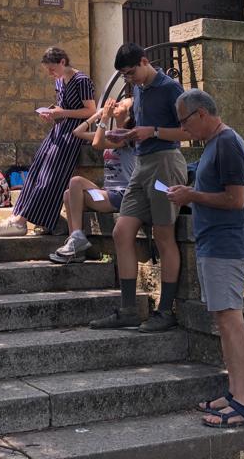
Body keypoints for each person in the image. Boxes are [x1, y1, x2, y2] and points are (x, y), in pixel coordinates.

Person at [166, 89, 244, 428]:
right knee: (223, 322)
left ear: (202, 114)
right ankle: (233, 393)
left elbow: (235, 200)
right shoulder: (213, 146)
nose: (183, 130)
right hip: (212, 245)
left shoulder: (229, 144)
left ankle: (242, 401)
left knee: (231, 322)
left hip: (225, 246)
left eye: (185, 122)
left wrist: (192, 196)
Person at [89, 42, 187, 333]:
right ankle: (128, 309)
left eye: (131, 73)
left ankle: (165, 311)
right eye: (124, 76)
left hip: (166, 164)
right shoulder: (139, 91)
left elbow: (190, 131)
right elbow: (143, 131)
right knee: (121, 231)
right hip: (143, 164)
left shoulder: (171, 89)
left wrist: (153, 132)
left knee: (163, 235)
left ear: (145, 61)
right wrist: (129, 134)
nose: (128, 80)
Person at [0, 47, 96, 236]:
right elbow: (62, 107)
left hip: (74, 133)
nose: (50, 73)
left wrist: (61, 113)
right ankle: (18, 216)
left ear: (63, 62)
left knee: (49, 176)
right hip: (59, 129)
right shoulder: (60, 80)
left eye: (52, 68)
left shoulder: (82, 80)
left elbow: (90, 111)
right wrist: (52, 112)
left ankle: (22, 221)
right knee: (37, 168)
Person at [49, 97, 136, 264]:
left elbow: (97, 143)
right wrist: (98, 114)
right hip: (107, 192)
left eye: (122, 104)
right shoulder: (112, 133)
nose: (116, 103)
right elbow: (77, 132)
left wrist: (104, 119)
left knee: (75, 182)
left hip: (121, 195)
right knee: (68, 194)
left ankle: (76, 242)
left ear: (129, 114)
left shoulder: (126, 136)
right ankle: (76, 244)